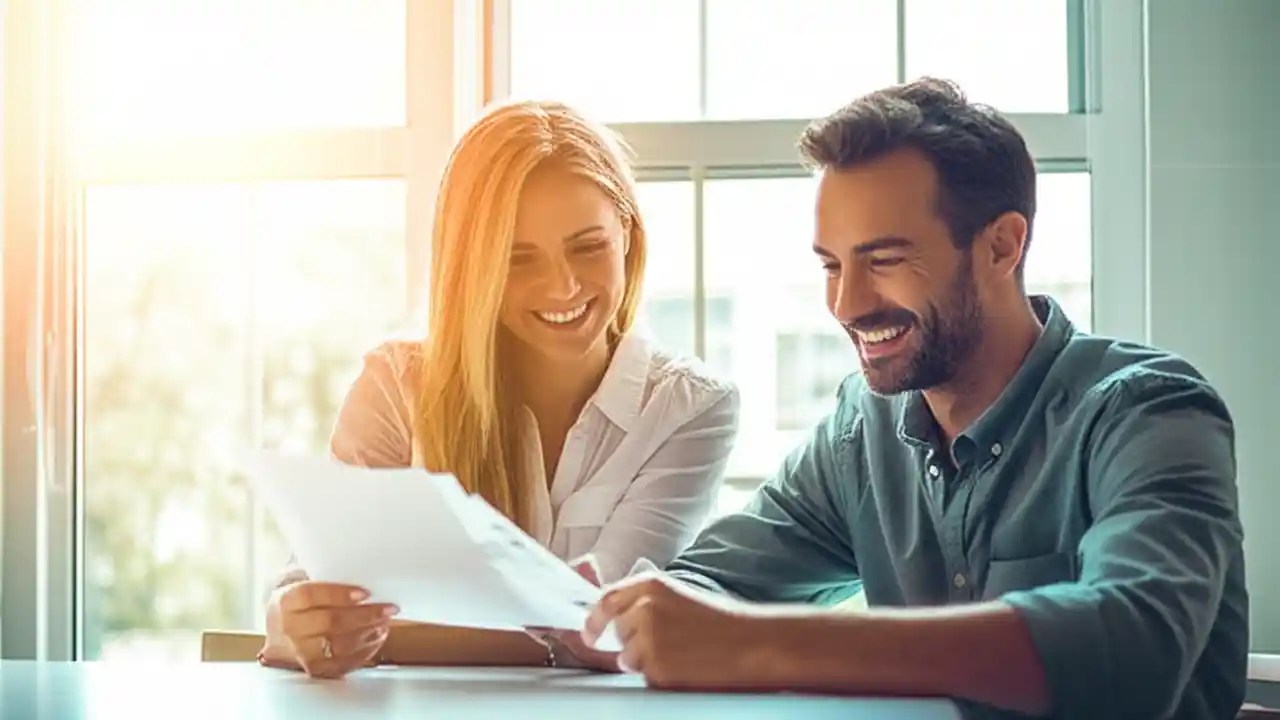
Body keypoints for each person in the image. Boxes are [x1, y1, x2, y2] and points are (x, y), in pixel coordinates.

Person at [581, 78, 1248, 719]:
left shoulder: (1148, 411)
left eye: (885, 261)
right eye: (832, 266)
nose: (847, 305)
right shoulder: (859, 429)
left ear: (1002, 246)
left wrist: (762, 644)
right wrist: (640, 615)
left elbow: (1138, 647)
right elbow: (709, 586)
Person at [258, 100, 740, 679]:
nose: (562, 287)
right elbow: (310, 584)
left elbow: (599, 627)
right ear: (472, 267)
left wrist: (394, 639)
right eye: (518, 260)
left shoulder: (690, 409)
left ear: (629, 237)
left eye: (588, 247)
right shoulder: (396, 386)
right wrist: (299, 624)